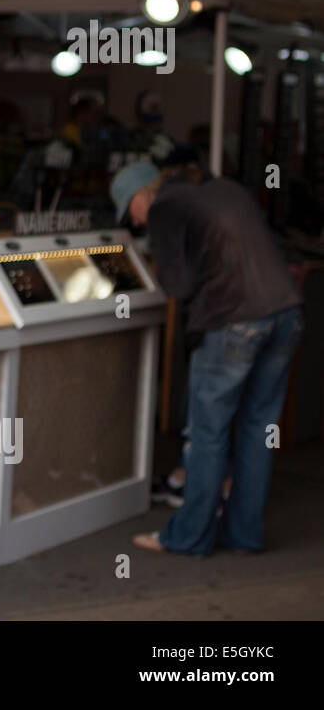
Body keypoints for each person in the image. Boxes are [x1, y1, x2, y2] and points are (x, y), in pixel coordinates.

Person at [111, 161, 303, 556]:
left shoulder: (165, 208)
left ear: (143, 194)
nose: (136, 224)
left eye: (131, 212)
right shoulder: (225, 189)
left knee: (207, 436)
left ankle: (188, 537)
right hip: (286, 315)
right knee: (257, 431)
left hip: (234, 319)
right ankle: (244, 536)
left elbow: (178, 285)